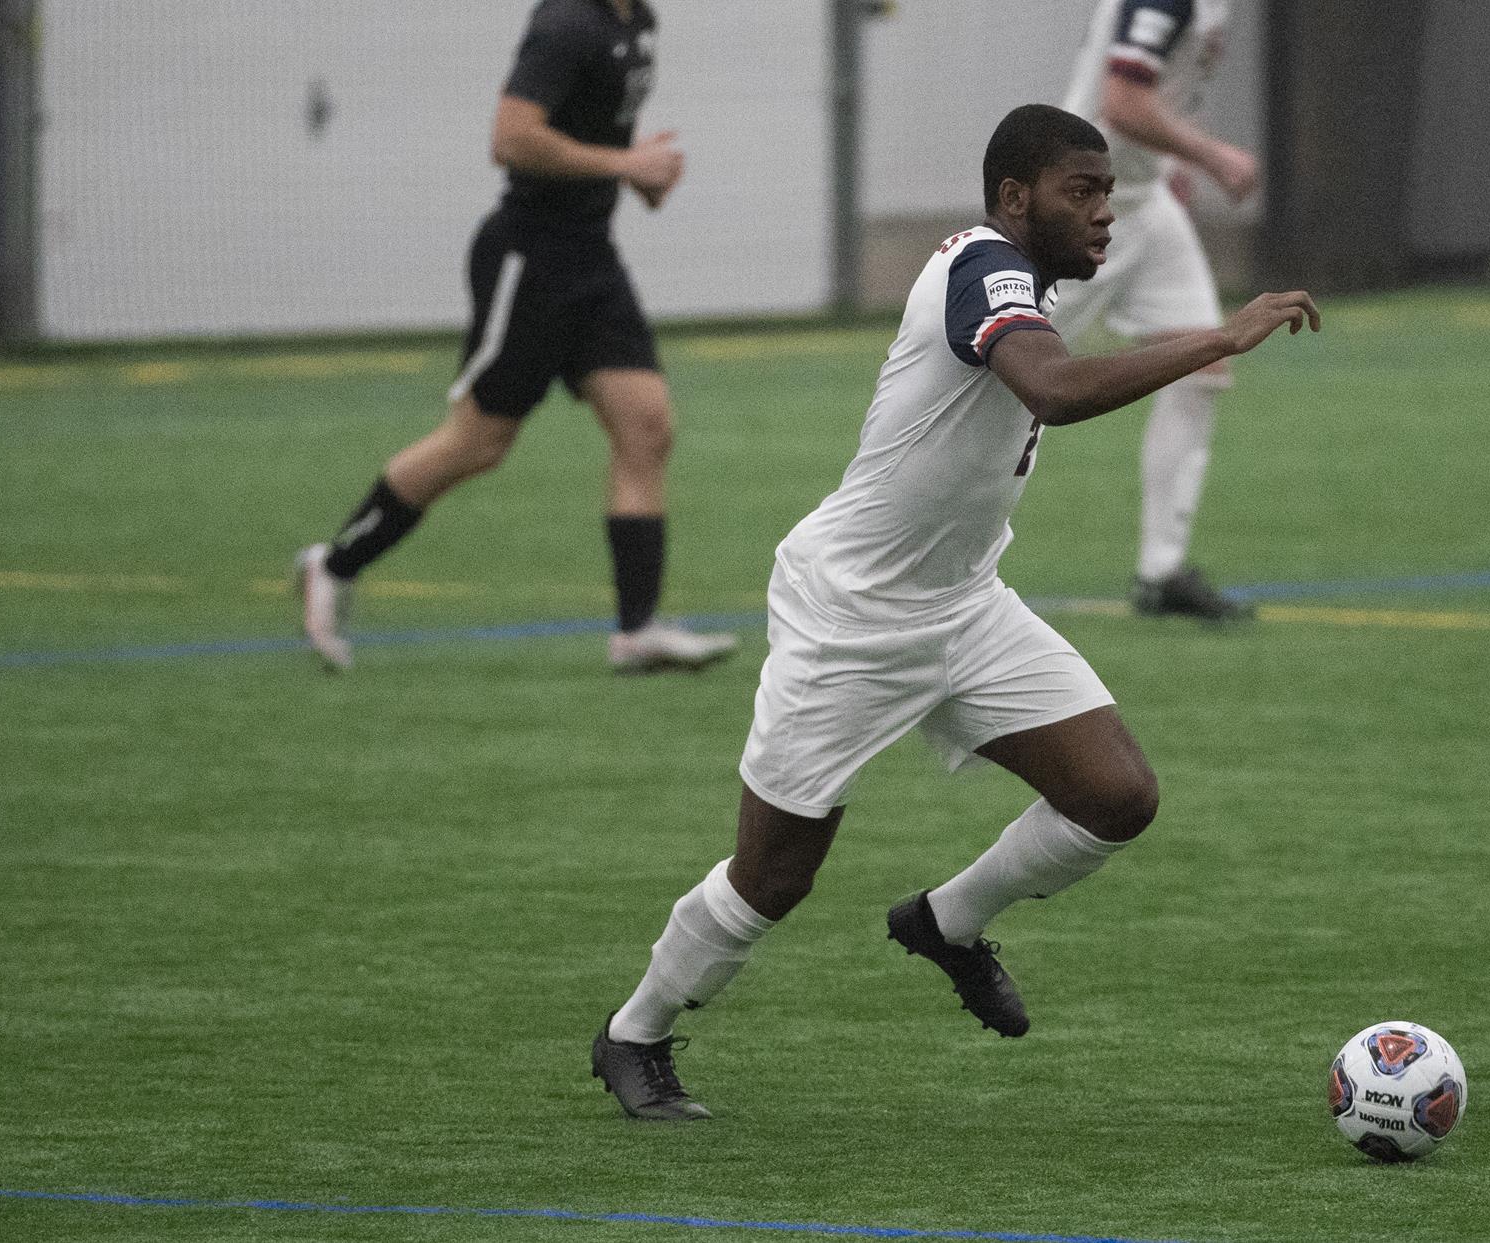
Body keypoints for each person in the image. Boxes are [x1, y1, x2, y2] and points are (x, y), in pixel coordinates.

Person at [589, 104, 1317, 1120]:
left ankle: (946, 922)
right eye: (1081, 190)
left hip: (964, 607)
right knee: (772, 877)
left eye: (1109, 190)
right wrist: (1216, 337)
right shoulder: (984, 269)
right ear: (1013, 198)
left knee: (1115, 794)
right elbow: (1053, 389)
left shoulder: (1021, 274)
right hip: (848, 617)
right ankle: (635, 1031)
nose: (1105, 212)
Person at [294, 0, 736, 674]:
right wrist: (624, 167)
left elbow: (601, 121)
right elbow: (511, 138)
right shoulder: (567, 24)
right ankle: (334, 562)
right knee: (477, 442)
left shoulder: (636, 22)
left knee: (646, 426)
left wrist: (639, 167)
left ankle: (636, 631)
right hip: (528, 258)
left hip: (592, 256)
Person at [1057, 0, 1261, 621]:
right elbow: (1122, 101)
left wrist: (1167, 164)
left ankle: (1161, 573)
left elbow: (1152, 96)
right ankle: (882, 548)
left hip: (1140, 200)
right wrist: (1212, 154)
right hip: (1083, 202)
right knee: (992, 377)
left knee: (1202, 363)